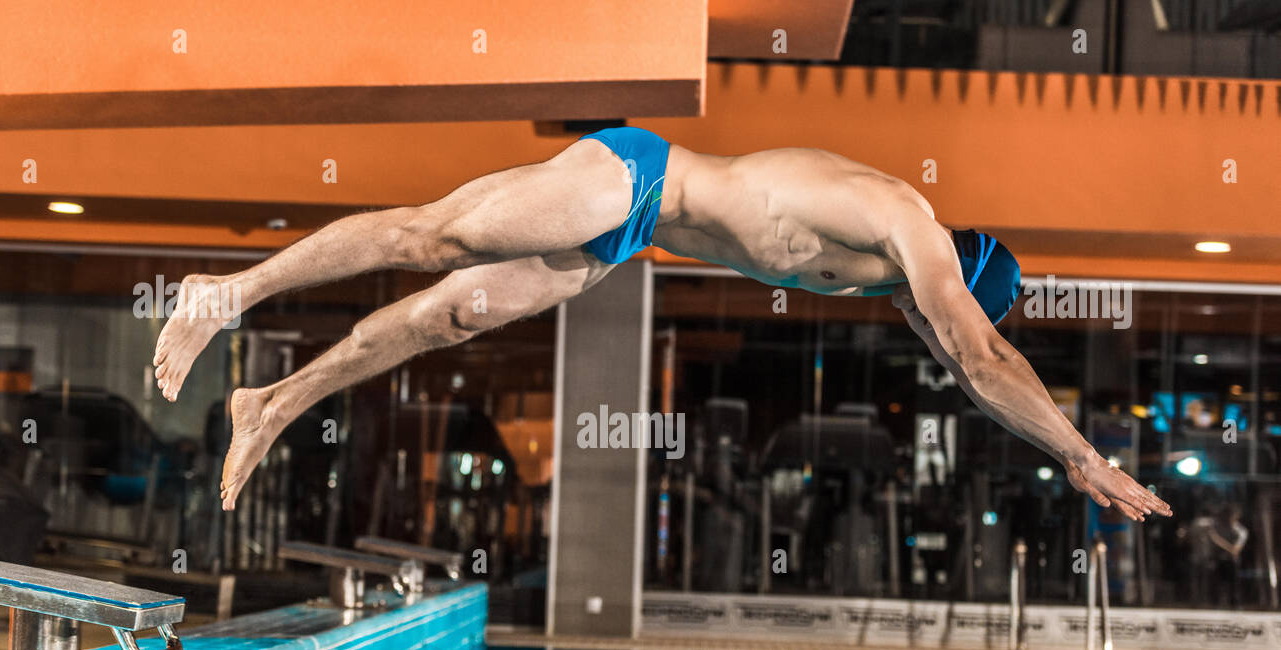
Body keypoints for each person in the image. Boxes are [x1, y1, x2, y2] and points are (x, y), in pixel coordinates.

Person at [152, 126, 1172, 521]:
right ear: (957, 271)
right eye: (935, 305)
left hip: (627, 240)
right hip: (637, 176)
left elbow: (965, 362)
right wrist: (1081, 456)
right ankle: (226, 293)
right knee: (435, 241)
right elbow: (979, 358)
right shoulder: (910, 223)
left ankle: (272, 402)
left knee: (454, 315)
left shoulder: (883, 280)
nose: (925, 321)